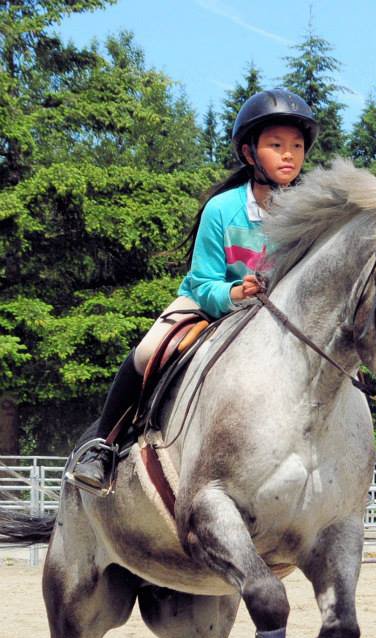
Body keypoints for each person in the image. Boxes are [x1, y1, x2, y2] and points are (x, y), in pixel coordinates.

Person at [70, 87, 318, 491]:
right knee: (150, 349)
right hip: (210, 304)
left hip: (275, 318)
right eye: (276, 145)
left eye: (296, 145)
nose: (289, 154)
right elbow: (203, 282)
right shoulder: (223, 209)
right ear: (250, 153)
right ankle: (103, 447)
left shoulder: (309, 212)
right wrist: (237, 293)